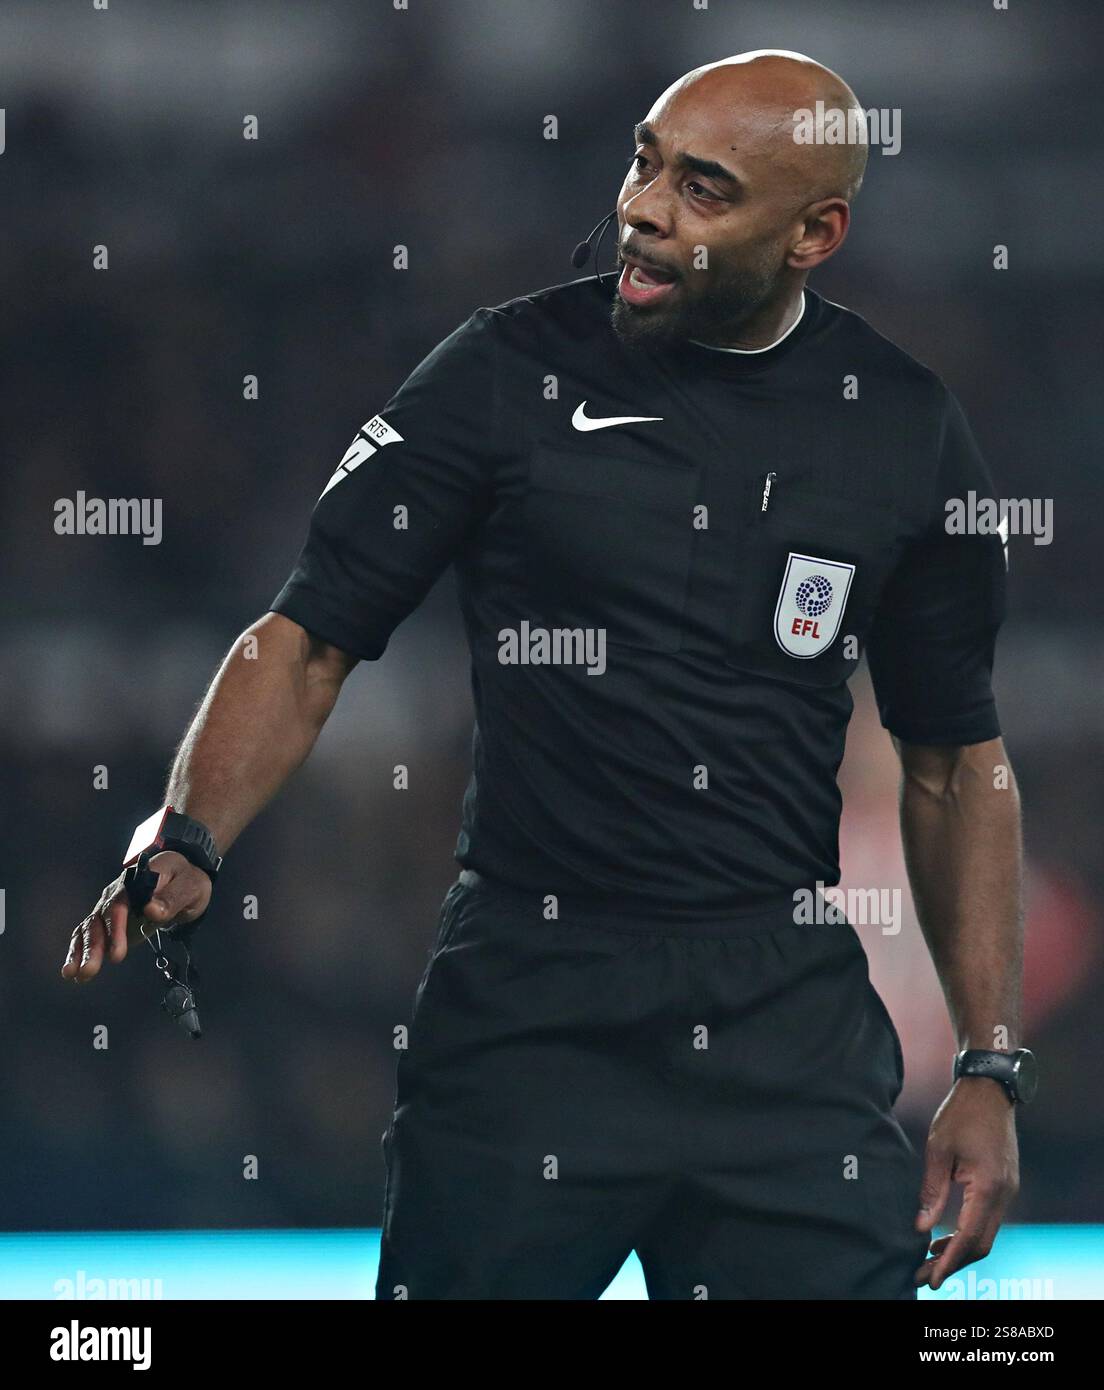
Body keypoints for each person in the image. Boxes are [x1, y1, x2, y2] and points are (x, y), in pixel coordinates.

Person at [64, 50, 1027, 1300]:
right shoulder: (503, 375)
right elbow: (303, 638)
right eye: (642, 160)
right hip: (528, 1009)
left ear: (814, 234)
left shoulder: (903, 429)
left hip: (779, 1022)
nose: (641, 204)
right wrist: (190, 829)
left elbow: (957, 764)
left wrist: (990, 1066)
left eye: (702, 187)